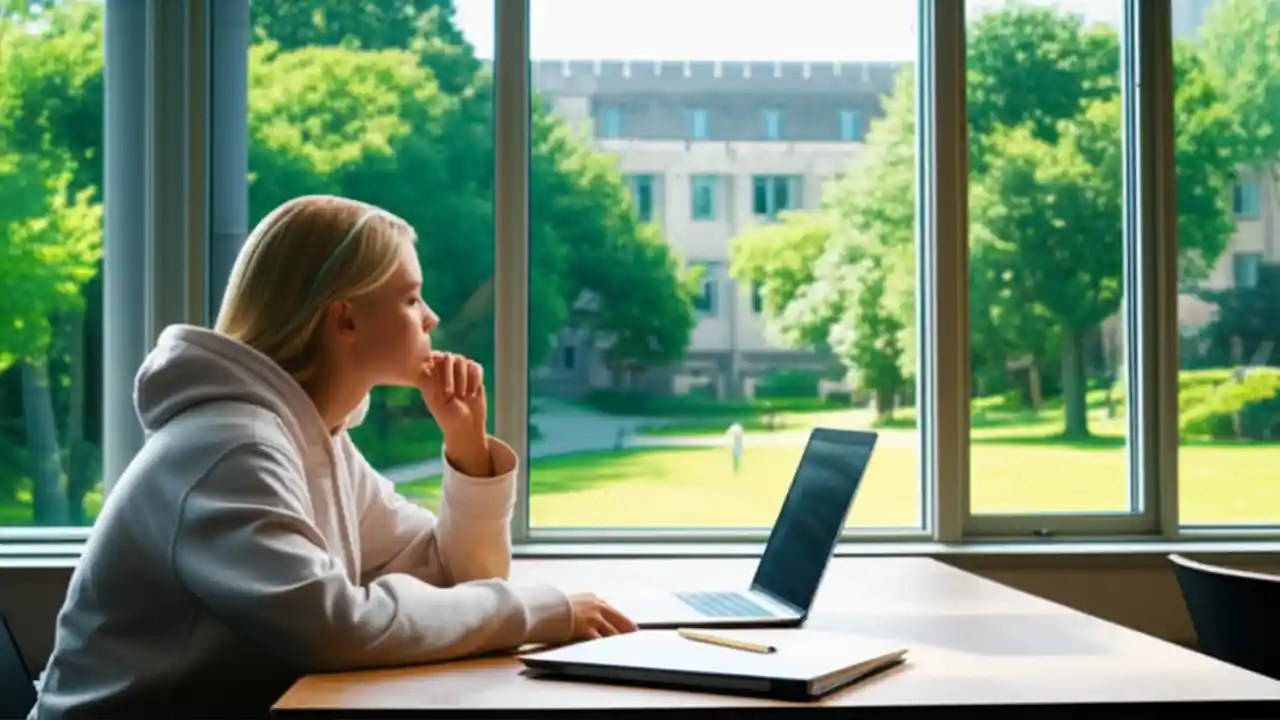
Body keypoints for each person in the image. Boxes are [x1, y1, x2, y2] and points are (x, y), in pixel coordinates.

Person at [29, 195, 636, 720]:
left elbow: (460, 577)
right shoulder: (233, 449)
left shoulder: (313, 439)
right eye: (411, 298)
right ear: (344, 320)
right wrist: (543, 611)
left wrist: (467, 450)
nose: (431, 317)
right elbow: (335, 628)